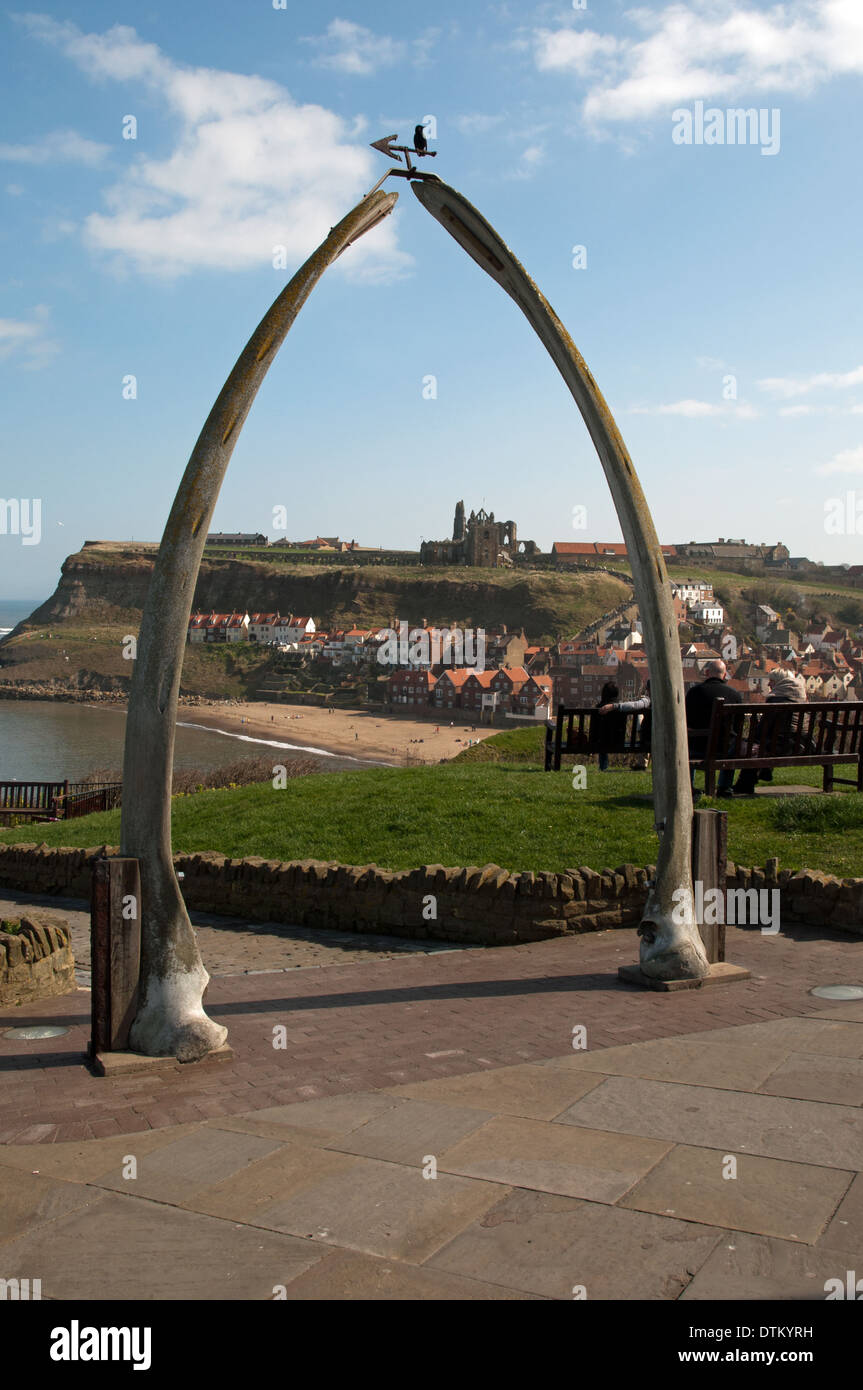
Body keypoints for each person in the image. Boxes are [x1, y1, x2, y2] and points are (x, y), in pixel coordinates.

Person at [733, 668, 807, 796]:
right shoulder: (802, 698)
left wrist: (750, 737)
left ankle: (744, 785)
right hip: (802, 744)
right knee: (763, 745)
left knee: (752, 746)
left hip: (781, 746)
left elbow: (763, 730)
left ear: (780, 682)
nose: (768, 684)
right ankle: (764, 771)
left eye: (771, 681)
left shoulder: (776, 700)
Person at [685, 659, 741, 798]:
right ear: (724, 675)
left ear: (707, 672)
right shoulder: (735, 695)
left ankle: (689, 785)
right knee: (732, 742)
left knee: (687, 741)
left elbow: (687, 721)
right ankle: (724, 786)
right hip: (725, 748)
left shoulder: (694, 692)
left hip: (698, 746)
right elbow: (738, 725)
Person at [600, 680, 651, 769]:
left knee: (643, 723)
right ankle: (642, 763)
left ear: (648, 689)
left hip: (648, 738)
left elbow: (635, 705)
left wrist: (614, 706)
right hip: (659, 737)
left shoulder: (648, 700)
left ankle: (642, 763)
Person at [591, 680, 624, 771]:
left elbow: (594, 728)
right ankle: (603, 767)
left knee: (602, 738)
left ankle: (603, 767)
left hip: (602, 741)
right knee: (605, 738)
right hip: (619, 741)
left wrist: (592, 740)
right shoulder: (621, 707)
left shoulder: (599, 708)